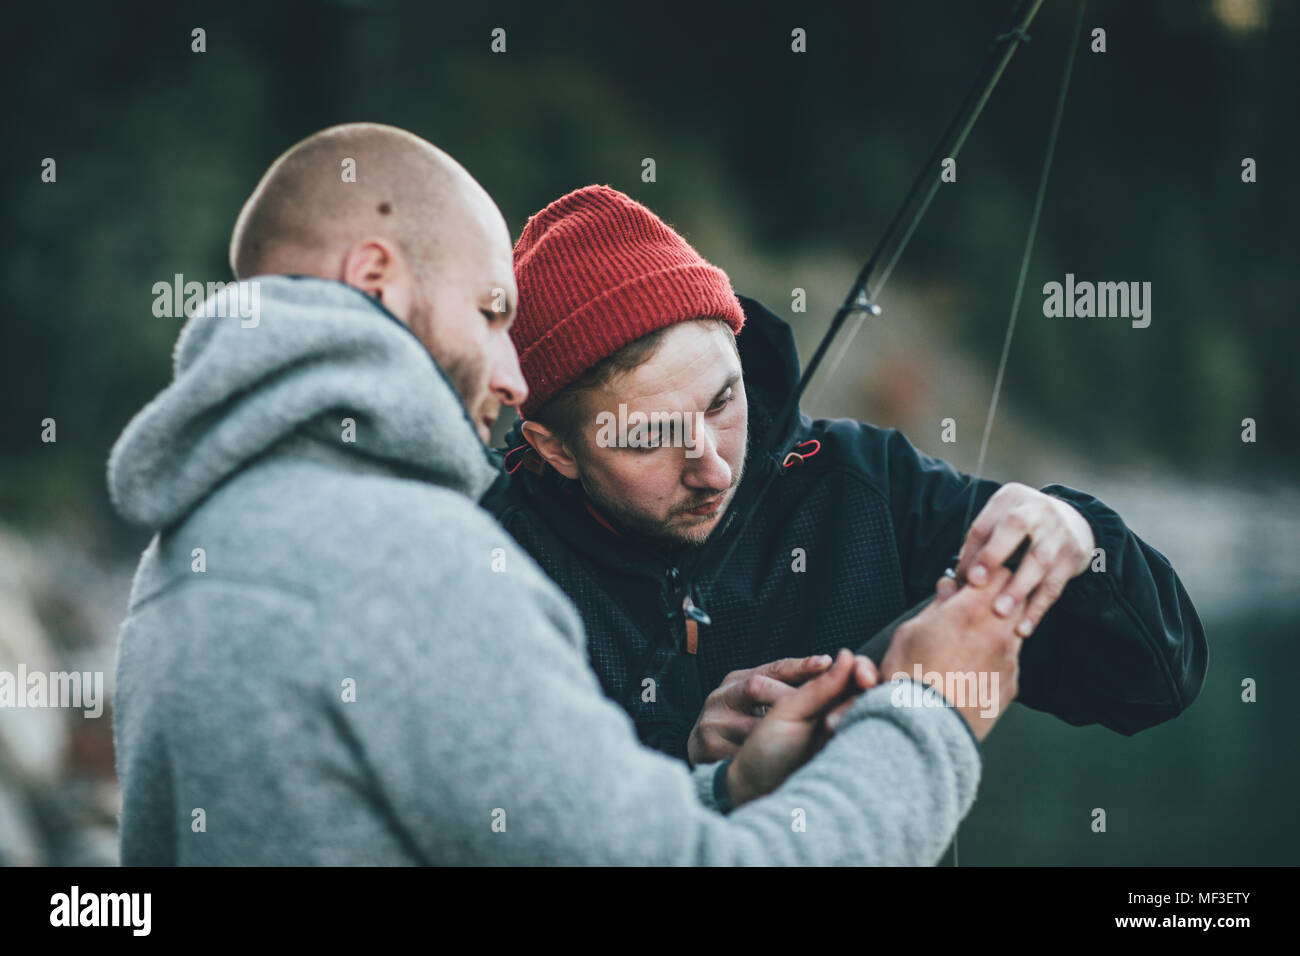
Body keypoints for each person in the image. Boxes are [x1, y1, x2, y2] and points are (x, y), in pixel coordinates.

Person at [108, 123, 1021, 865]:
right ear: (376, 278)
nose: (511, 375)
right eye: (491, 313)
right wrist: (928, 712)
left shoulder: (190, 550)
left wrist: (729, 791)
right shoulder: (416, 564)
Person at [488, 184, 1209, 766]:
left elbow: (1154, 686)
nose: (711, 468)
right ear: (555, 449)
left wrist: (1078, 540)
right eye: (650, 439)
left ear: (740, 353)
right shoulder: (488, 554)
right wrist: (677, 752)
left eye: (723, 401)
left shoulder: (867, 487)